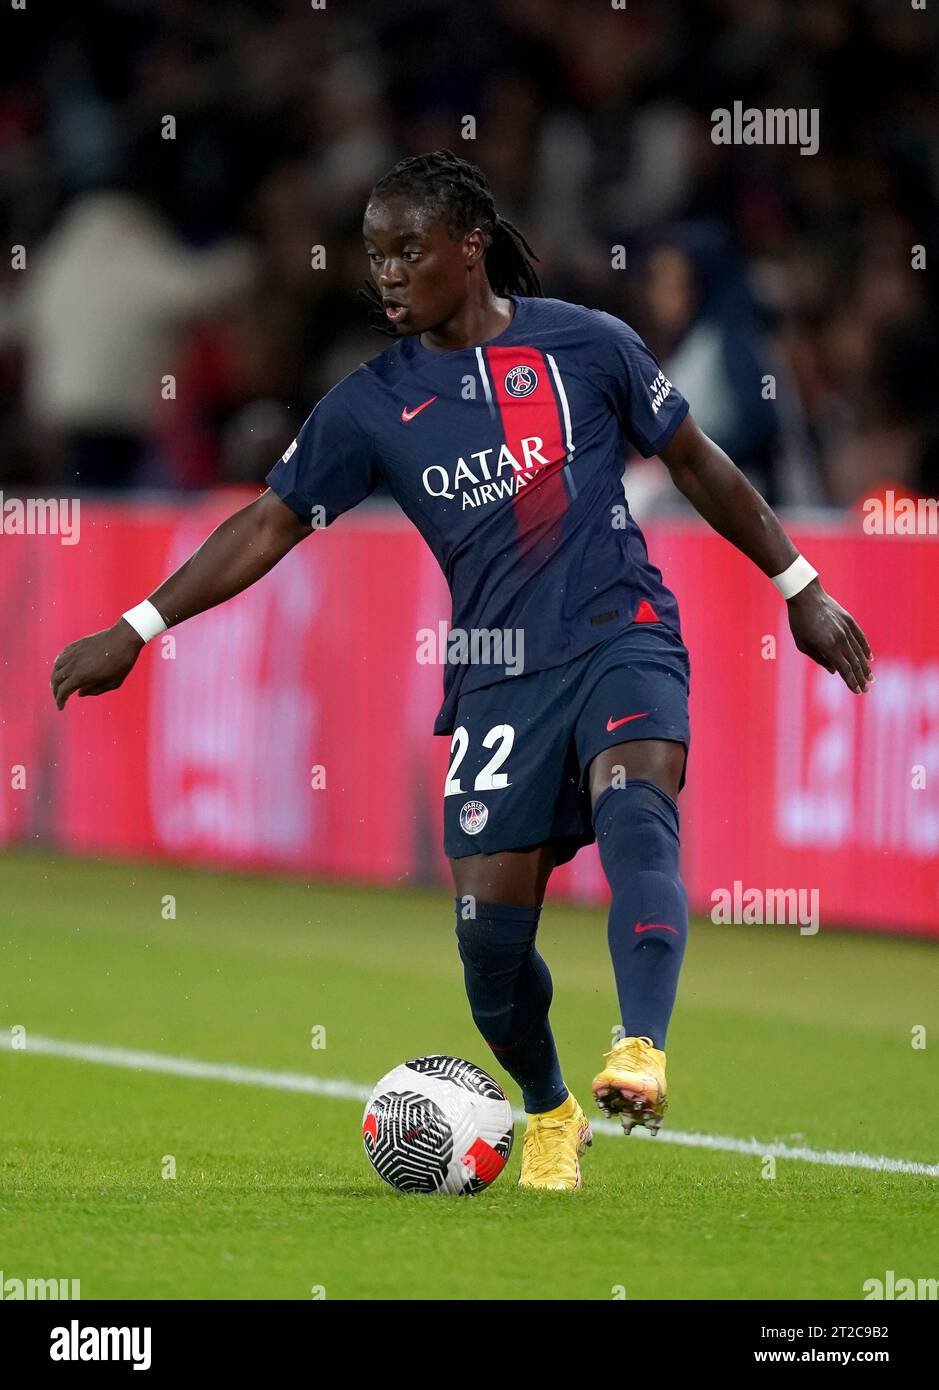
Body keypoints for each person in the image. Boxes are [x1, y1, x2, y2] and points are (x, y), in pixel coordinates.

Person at [51, 152, 873, 1192]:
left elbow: (697, 458)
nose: (386, 275)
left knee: (635, 806)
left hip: (622, 632)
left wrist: (799, 582)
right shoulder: (370, 405)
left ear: (469, 245)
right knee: (488, 949)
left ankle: (640, 1046)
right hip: (496, 680)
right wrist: (139, 622)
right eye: (375, 255)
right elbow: (271, 521)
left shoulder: (588, 344)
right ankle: (547, 1107)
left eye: (408, 250)